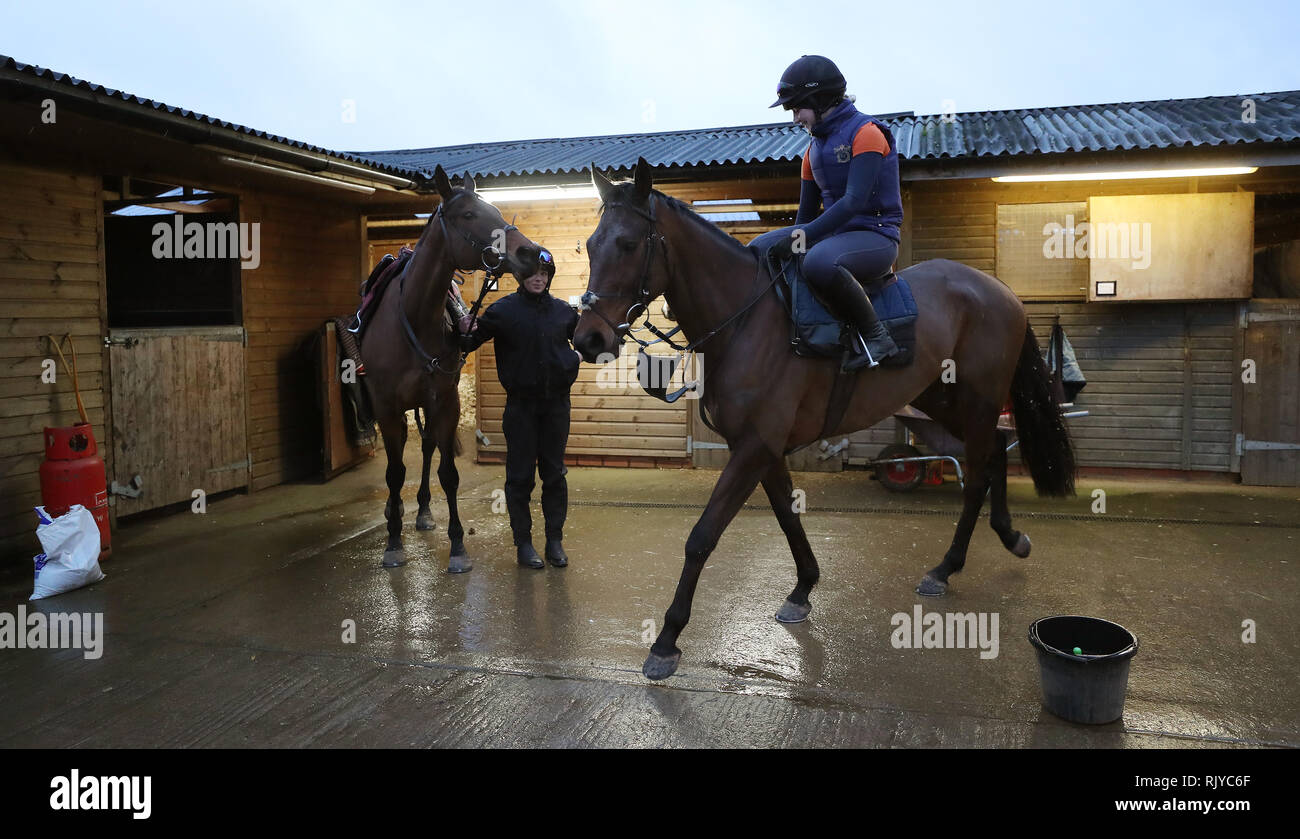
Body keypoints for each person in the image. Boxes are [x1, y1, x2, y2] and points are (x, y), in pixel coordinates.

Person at [751, 54, 902, 369]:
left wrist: (802, 238)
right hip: (834, 237)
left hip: (876, 236)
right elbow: (805, 217)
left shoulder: (867, 133)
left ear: (819, 100)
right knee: (759, 248)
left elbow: (853, 202)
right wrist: (794, 239)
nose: (795, 119)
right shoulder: (812, 151)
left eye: (797, 109)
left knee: (818, 261)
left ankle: (877, 337)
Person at [459, 249, 580, 569]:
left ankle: (554, 541)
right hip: (521, 409)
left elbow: (592, 345)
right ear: (520, 276)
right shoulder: (503, 311)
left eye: (544, 272)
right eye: (531, 273)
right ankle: (523, 544)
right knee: (520, 476)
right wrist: (464, 328)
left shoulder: (564, 313)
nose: (538, 278)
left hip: (557, 406)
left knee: (554, 474)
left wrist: (578, 356)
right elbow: (468, 343)